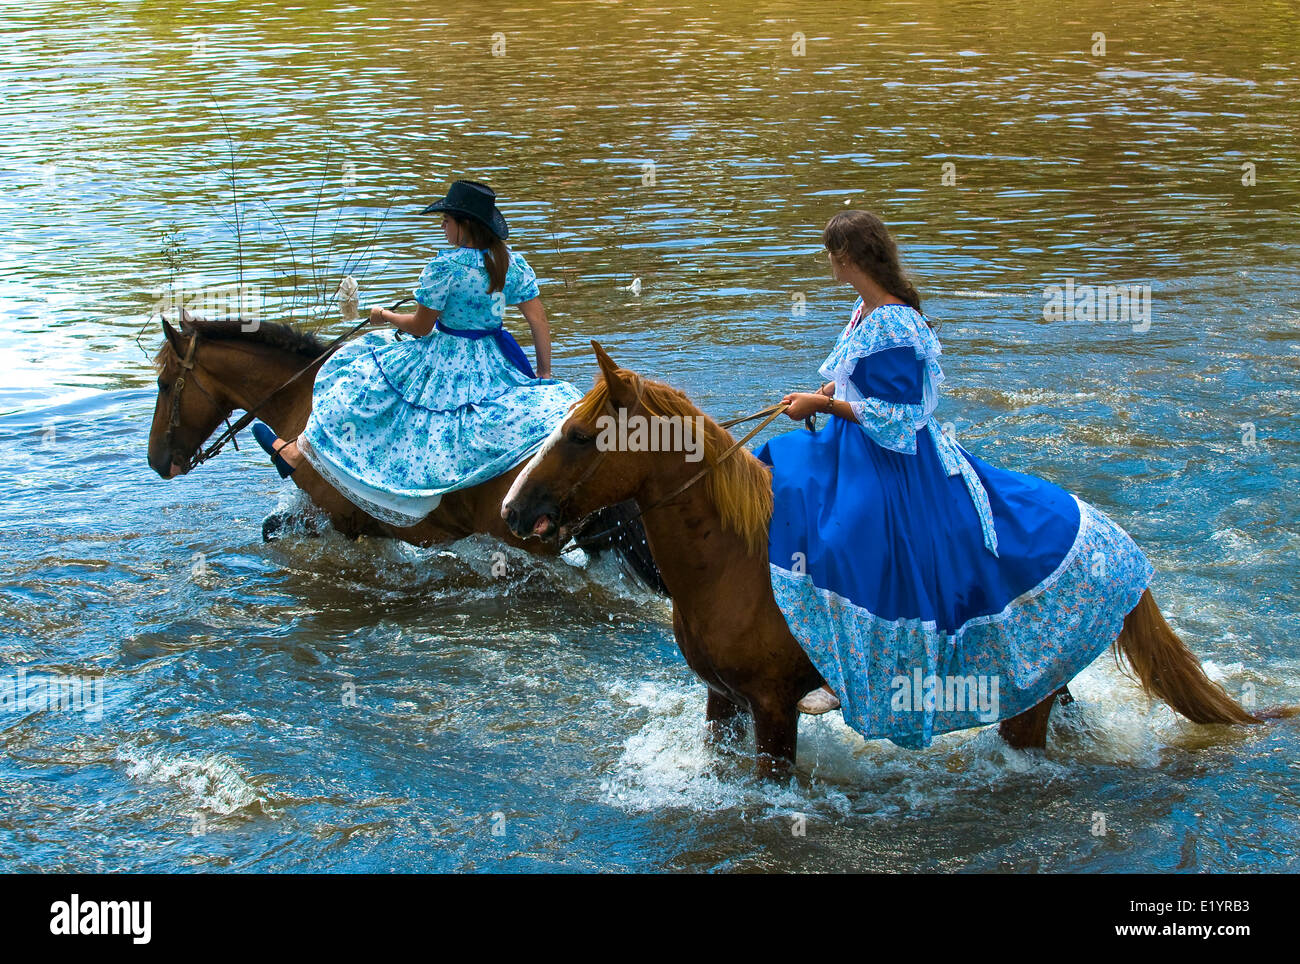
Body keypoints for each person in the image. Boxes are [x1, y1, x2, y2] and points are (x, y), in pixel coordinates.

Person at [758, 210, 1152, 748]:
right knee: (781, 468)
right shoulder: (864, 311)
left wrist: (827, 406)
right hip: (857, 442)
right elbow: (857, 383)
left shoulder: (896, 323)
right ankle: (817, 649)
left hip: (894, 456)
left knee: (848, 532)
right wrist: (822, 397)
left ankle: (841, 669)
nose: (829, 264)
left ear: (847, 259)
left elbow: (899, 414)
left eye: (832, 254)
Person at [251, 180, 580, 527]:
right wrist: (544, 373)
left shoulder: (445, 268)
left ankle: (296, 452)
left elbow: (421, 327)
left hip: (445, 357)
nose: (442, 226)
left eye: (446, 220)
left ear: (463, 225)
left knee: (357, 375)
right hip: (495, 357)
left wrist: (385, 316)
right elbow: (538, 319)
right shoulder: (508, 263)